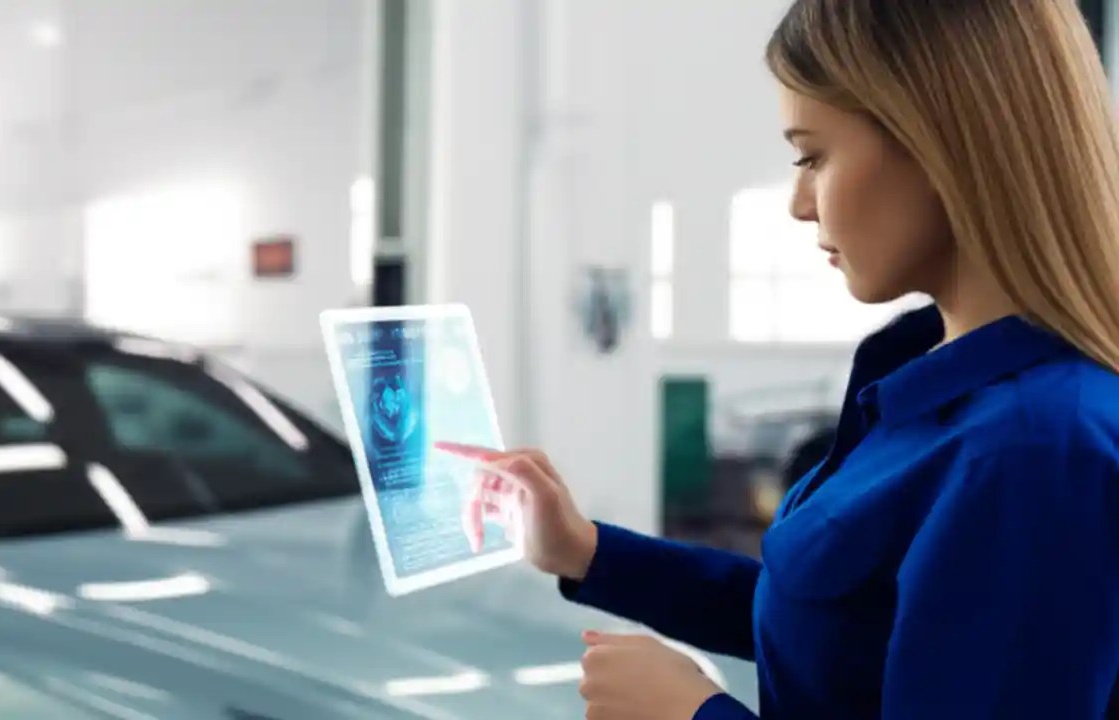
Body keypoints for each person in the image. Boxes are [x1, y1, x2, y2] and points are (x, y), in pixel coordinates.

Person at [438, 0, 1119, 717]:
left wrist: (694, 713)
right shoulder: (923, 377)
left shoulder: (1034, 452)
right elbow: (826, 625)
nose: (799, 202)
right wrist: (586, 550)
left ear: (944, 142)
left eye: (813, 156)